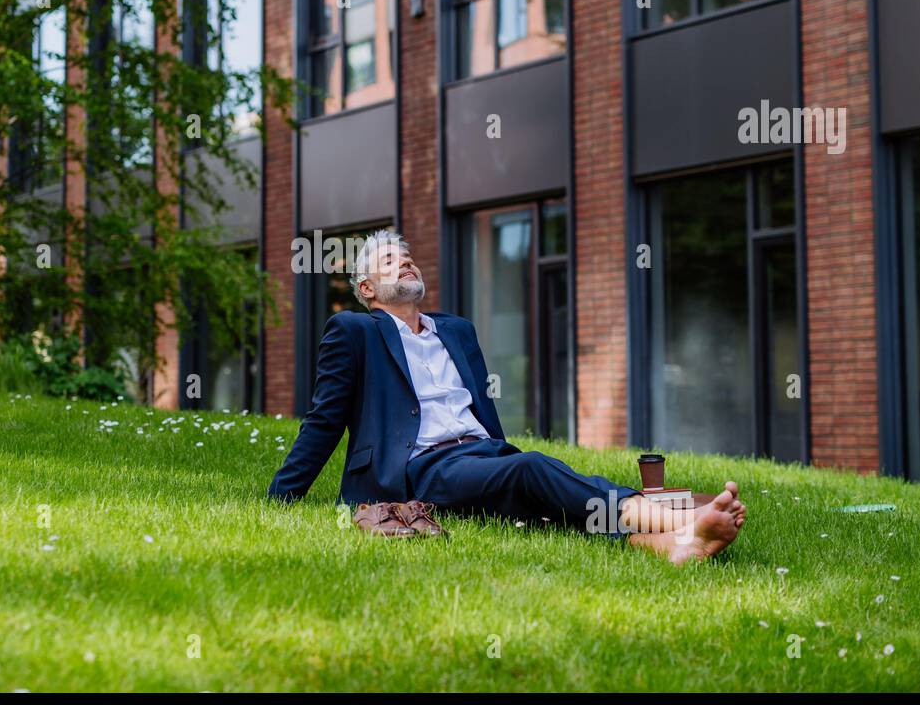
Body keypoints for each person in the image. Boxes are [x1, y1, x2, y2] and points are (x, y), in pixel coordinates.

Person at [266, 228, 746, 564]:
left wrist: (499, 457)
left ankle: (674, 545)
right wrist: (280, 500)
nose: (406, 261)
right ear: (367, 287)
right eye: (391, 260)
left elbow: (484, 412)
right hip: (421, 469)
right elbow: (323, 419)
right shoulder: (354, 331)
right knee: (533, 469)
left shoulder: (456, 329)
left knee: (543, 499)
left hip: (481, 454)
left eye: (407, 256)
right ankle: (667, 518)